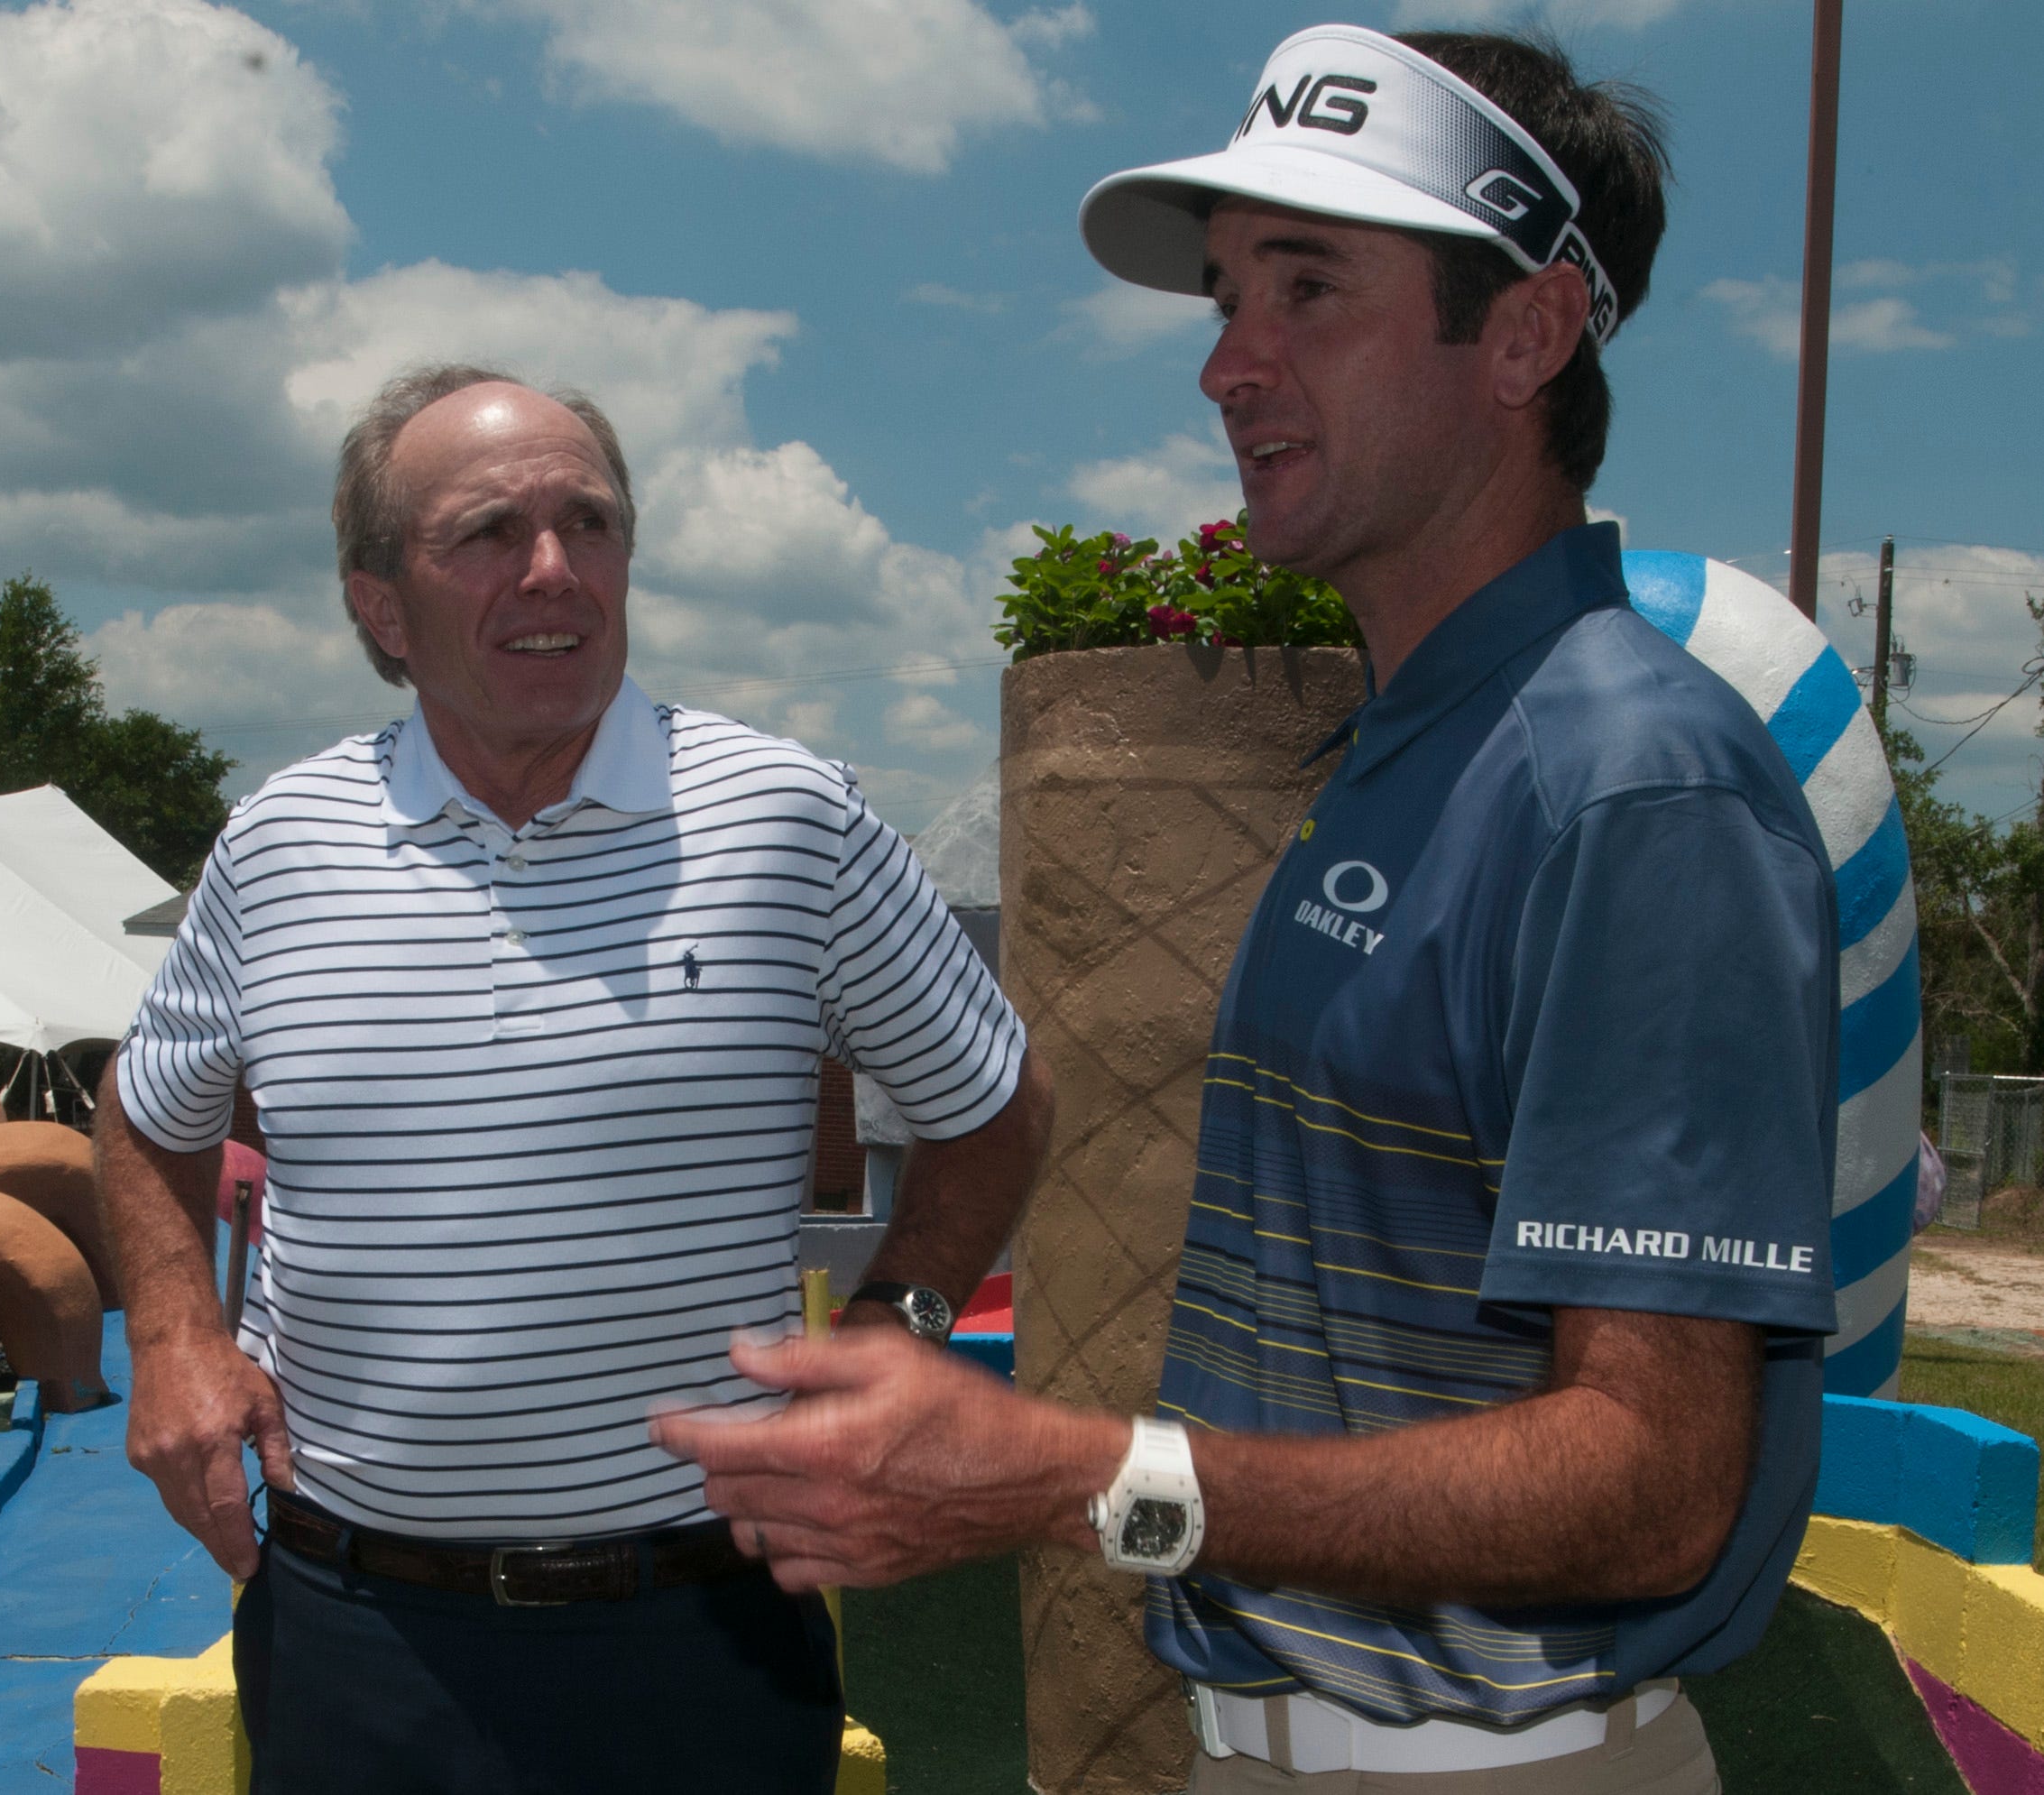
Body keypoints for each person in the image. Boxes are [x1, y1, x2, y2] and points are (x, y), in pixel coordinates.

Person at [657, 27, 1836, 1794]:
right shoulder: (1417, 745)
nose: (1227, 364)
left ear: (1526, 333)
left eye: (1308, 291)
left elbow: (1659, 1480)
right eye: (1226, 298)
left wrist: (1078, 1475)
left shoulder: (1634, 782)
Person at [96, 364, 1055, 1790]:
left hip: (697, 1636)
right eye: (489, 532)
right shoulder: (277, 845)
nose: (554, 569)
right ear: (379, 603)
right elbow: (142, 1112)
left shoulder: (787, 818)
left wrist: (897, 1325)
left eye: (589, 524)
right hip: (358, 1634)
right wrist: (176, 1330)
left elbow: (995, 1109)